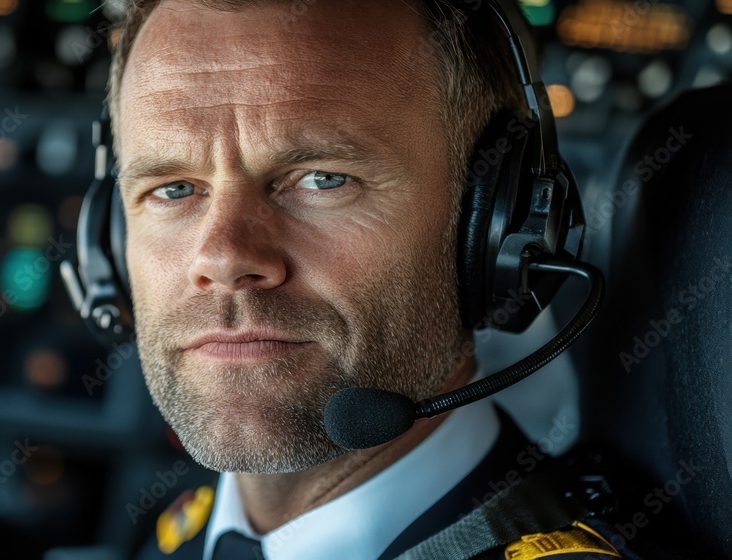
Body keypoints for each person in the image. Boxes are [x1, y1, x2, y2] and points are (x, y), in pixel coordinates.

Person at [103, 0, 701, 558]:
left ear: (496, 222)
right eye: (173, 190)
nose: (224, 257)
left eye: (322, 180)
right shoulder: (174, 531)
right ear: (103, 242)